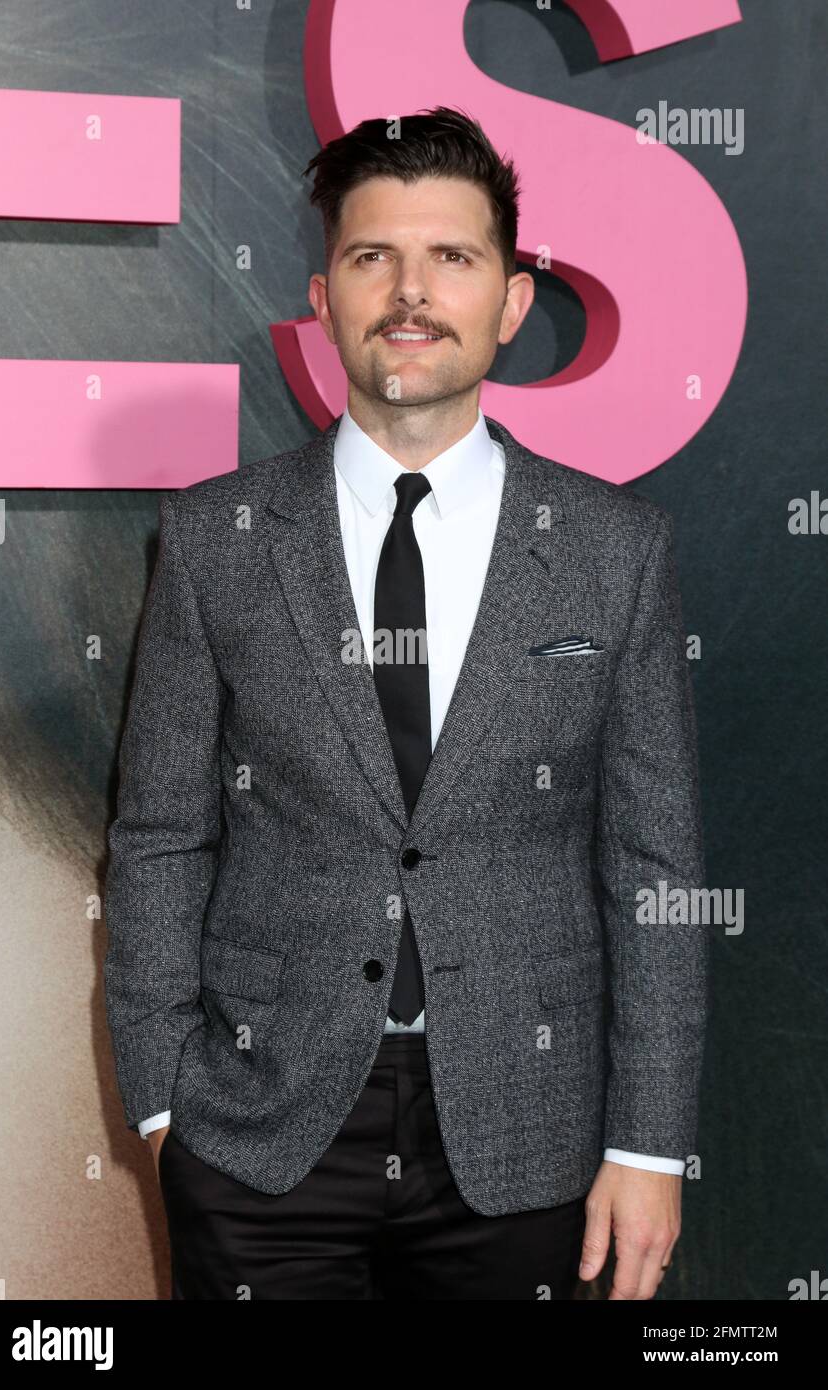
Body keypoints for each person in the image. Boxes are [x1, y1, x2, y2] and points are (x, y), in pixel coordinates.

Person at [103, 106, 709, 1301]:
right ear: (322, 298)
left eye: (452, 258)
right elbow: (161, 835)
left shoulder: (612, 550)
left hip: (528, 1136)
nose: (410, 293)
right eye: (373, 256)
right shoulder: (216, 539)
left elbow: (654, 867)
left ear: (512, 303)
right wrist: (169, 1103)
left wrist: (646, 1141)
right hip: (262, 1132)